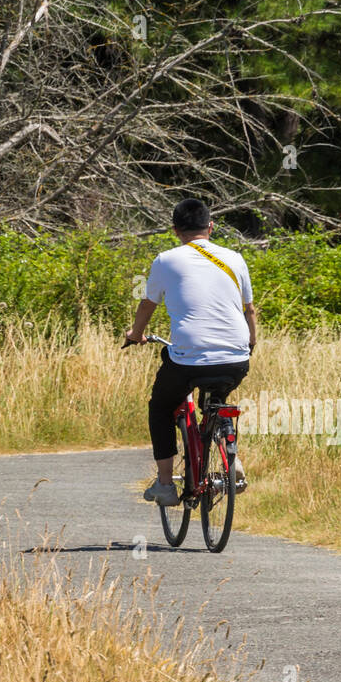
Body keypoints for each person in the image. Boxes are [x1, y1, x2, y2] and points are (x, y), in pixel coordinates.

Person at [125, 198, 256, 506]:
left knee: (160, 407)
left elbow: (147, 304)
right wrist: (250, 344)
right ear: (210, 227)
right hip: (236, 357)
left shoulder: (166, 260)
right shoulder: (235, 257)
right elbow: (249, 308)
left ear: (175, 231)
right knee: (216, 400)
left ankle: (166, 485)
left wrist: (137, 334)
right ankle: (230, 457)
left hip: (187, 359)